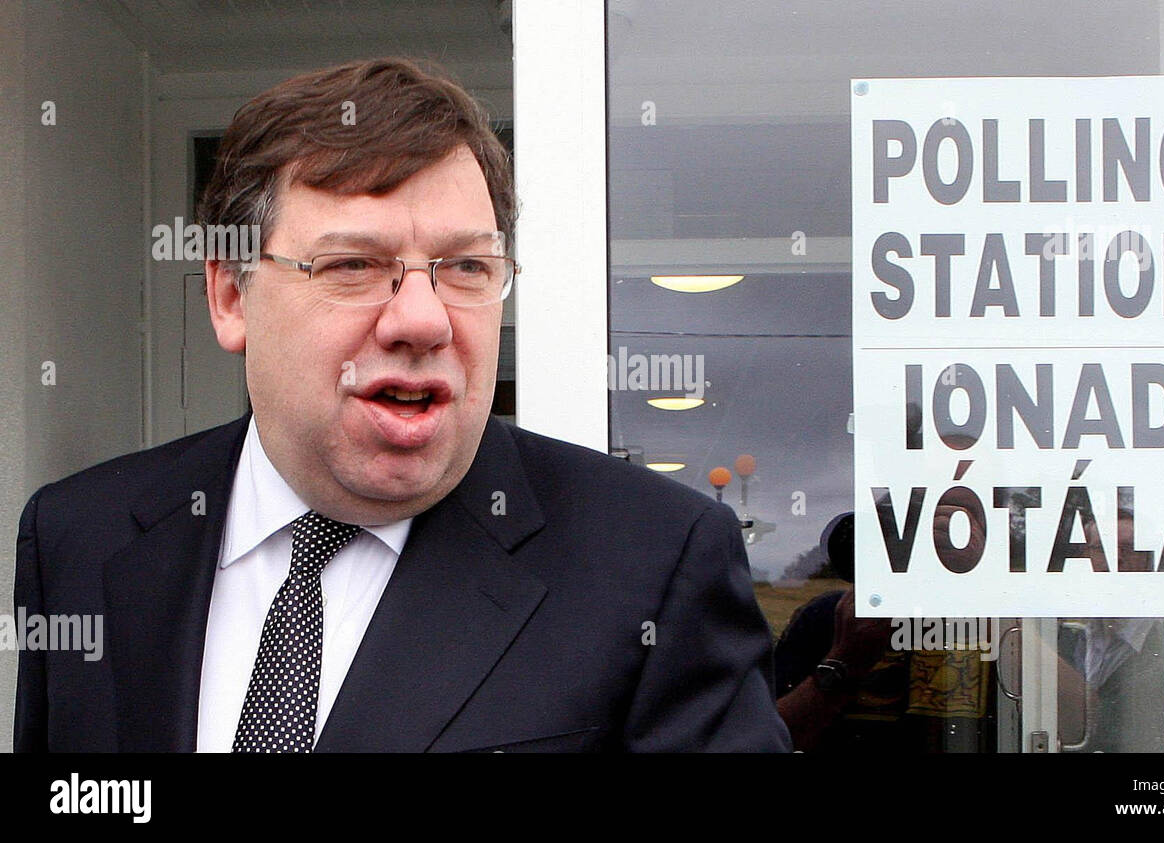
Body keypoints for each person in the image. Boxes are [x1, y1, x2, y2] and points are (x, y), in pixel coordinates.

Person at [12, 58, 790, 753]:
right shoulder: (79, 538)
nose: (423, 318)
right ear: (229, 296)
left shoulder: (655, 562)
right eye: (353, 263)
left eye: (466, 267)